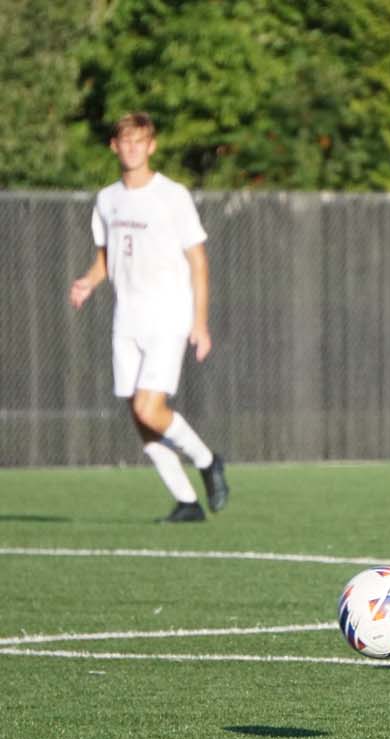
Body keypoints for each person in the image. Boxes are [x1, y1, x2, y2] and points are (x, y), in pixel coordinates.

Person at [70, 112, 230, 523]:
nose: (132, 148)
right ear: (114, 146)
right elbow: (107, 257)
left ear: (152, 146)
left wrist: (200, 321)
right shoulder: (107, 200)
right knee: (137, 416)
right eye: (125, 141)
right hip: (127, 317)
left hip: (168, 314)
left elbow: (198, 260)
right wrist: (88, 281)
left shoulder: (172, 195)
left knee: (148, 407)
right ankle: (187, 501)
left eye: (140, 141)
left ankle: (208, 460)